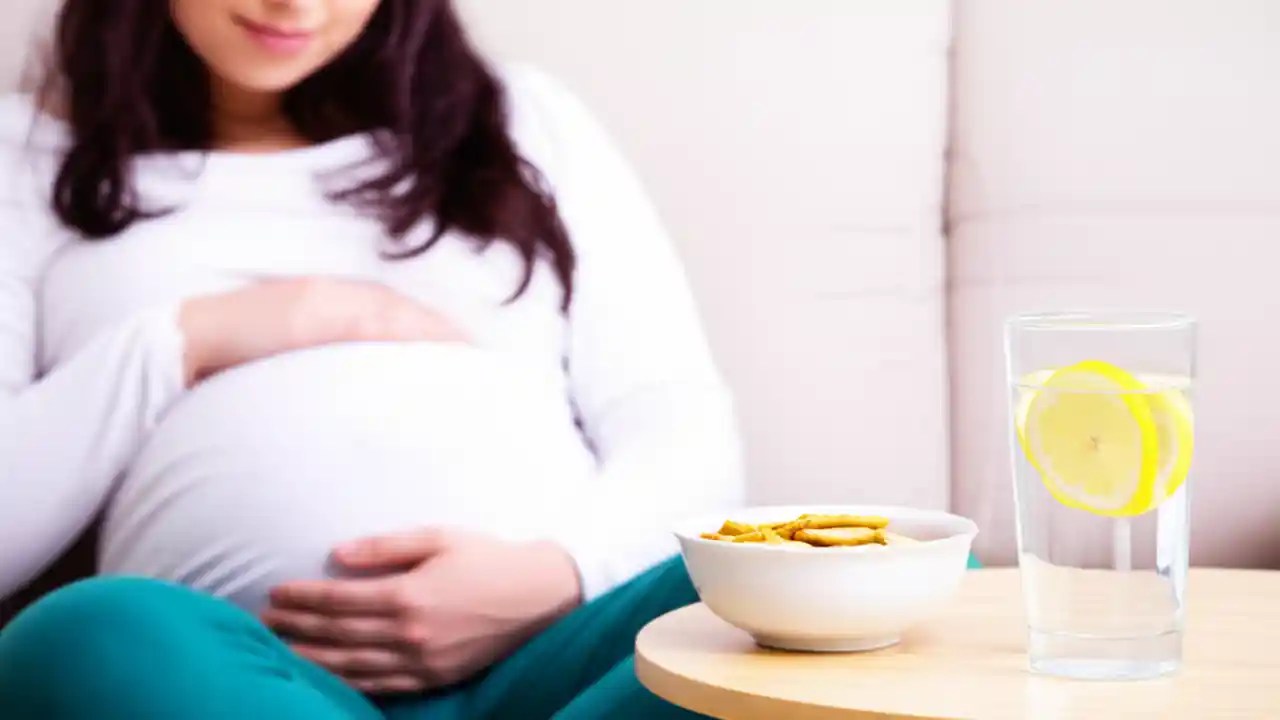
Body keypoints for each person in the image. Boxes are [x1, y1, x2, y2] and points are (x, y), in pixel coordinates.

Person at [0, 0, 743, 717]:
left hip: (564, 659)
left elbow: (678, 428)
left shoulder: (521, 119)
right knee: (89, 636)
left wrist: (560, 572)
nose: (295, 4)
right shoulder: (26, 157)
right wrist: (184, 341)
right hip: (237, 678)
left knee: (792, 586)